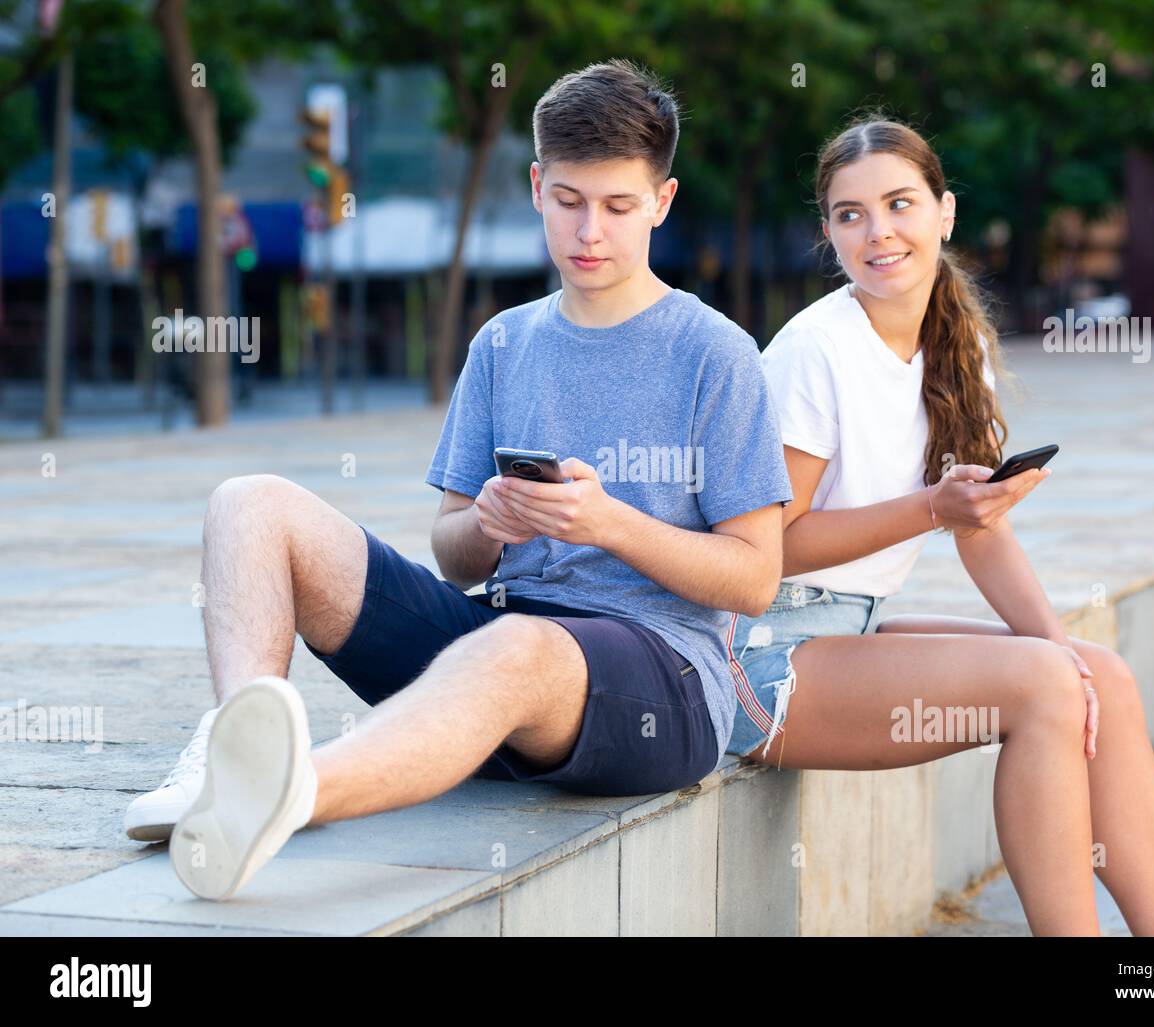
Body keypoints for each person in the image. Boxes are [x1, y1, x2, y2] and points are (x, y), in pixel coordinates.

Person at [123, 59, 792, 902]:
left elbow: (756, 577)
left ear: (661, 202)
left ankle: (286, 793)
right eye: (569, 201)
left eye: (619, 207)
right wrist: (492, 520)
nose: (590, 231)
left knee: (517, 648)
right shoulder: (502, 344)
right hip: (493, 640)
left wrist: (608, 523)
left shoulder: (715, 352)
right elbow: (454, 558)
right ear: (539, 185)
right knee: (248, 503)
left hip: (660, 678)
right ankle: (232, 745)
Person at [726, 116, 1154, 936]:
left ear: (944, 213)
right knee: (1044, 686)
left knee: (1099, 678)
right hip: (758, 658)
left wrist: (1056, 642)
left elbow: (979, 532)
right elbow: (765, 553)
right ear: (829, 233)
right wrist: (929, 508)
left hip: (851, 630)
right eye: (850, 214)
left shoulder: (956, 340)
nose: (878, 232)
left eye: (900, 203)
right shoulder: (814, 352)